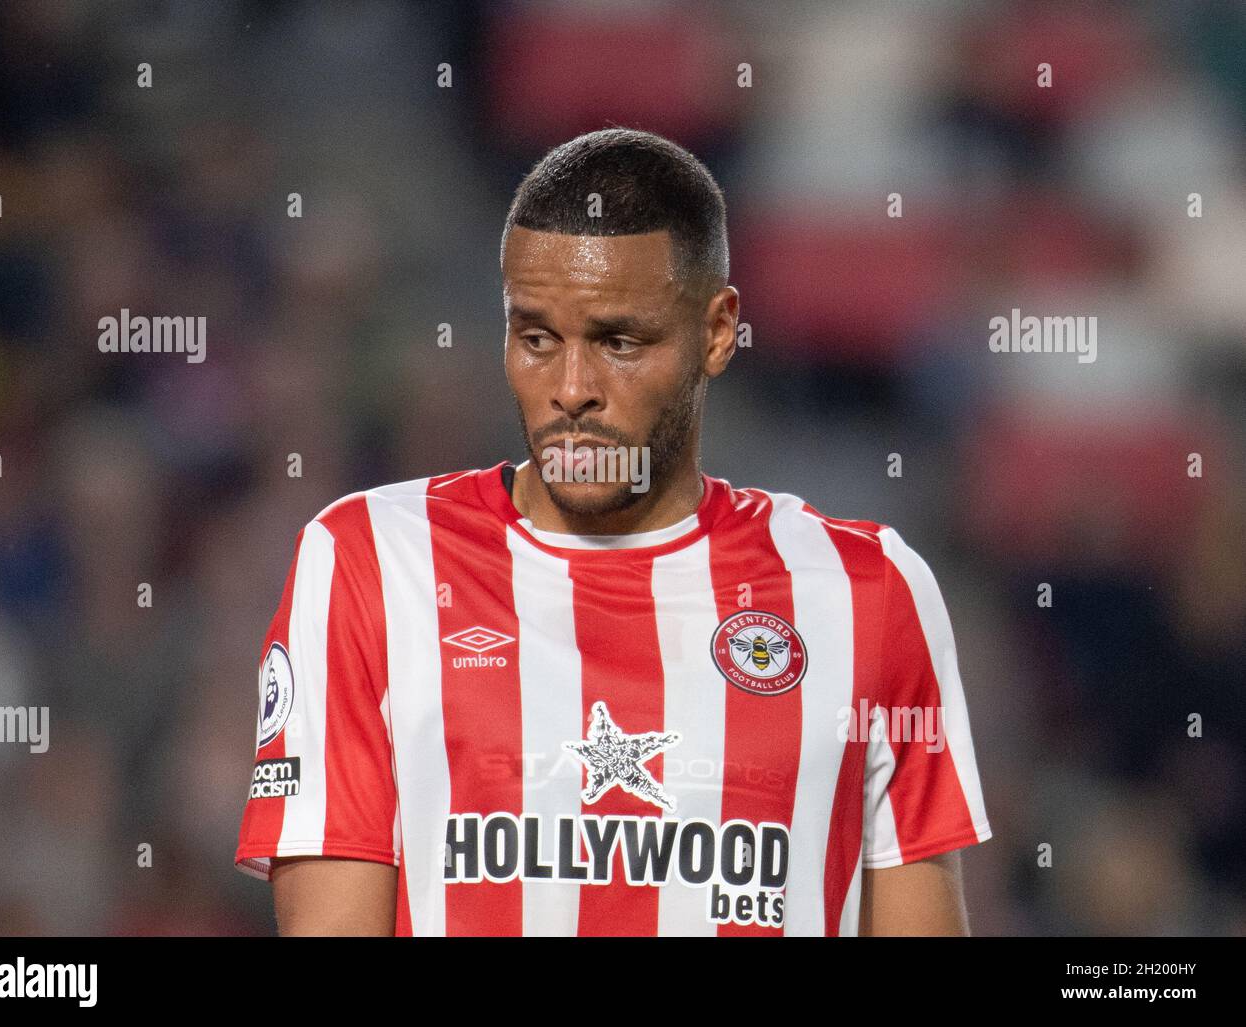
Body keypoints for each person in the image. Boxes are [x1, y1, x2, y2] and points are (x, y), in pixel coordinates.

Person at [233, 128, 992, 936]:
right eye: (536, 338)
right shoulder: (372, 564)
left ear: (717, 331)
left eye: (618, 341)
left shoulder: (866, 593)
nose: (571, 389)